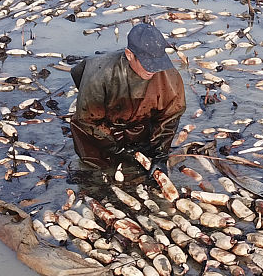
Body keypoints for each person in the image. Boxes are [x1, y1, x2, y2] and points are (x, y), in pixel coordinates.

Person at [69, 22, 186, 172]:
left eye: (158, 62)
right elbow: (87, 121)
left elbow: (171, 117)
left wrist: (160, 154)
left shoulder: (168, 74)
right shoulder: (100, 74)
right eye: (148, 63)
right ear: (129, 55)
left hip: (137, 122)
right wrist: (118, 150)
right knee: (98, 168)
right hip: (100, 127)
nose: (154, 69)